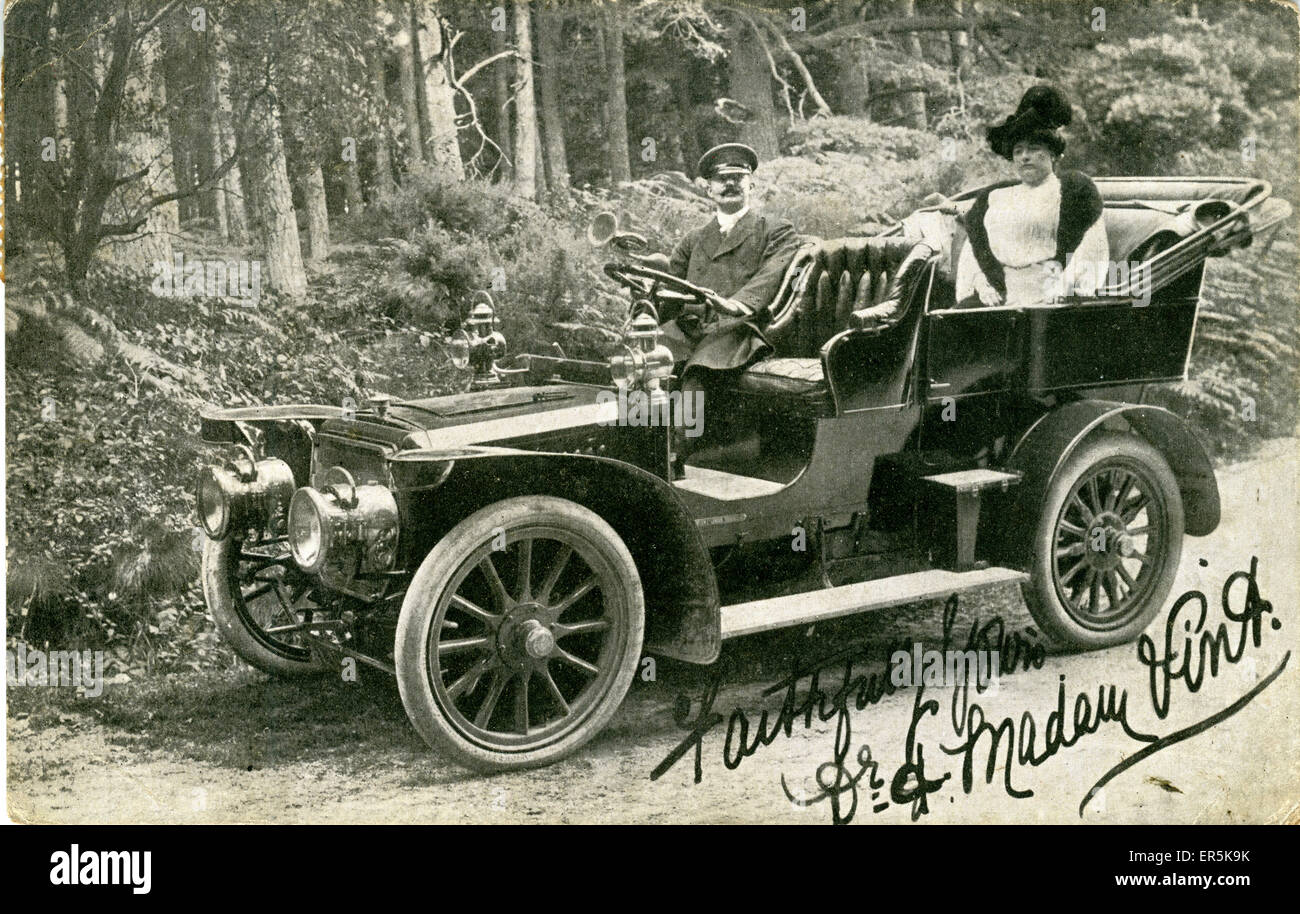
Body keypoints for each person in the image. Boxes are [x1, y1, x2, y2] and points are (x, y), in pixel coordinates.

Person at [633, 143, 802, 470]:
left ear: (751, 184)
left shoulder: (775, 231)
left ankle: (668, 459)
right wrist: (647, 291)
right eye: (722, 178)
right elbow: (670, 289)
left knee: (699, 370)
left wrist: (735, 304)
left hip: (740, 331)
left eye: (739, 177)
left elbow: (769, 279)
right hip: (691, 329)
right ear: (709, 188)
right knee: (640, 361)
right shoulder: (695, 239)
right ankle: (630, 447)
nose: (731, 184)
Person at [955, 85, 1109, 308]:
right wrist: (982, 284)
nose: (1025, 157)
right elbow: (975, 249)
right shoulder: (996, 197)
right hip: (1002, 296)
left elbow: (1091, 244)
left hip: (1053, 293)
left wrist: (1064, 285)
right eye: (1018, 151)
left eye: (1034, 148)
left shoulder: (1072, 191)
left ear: (1052, 154)